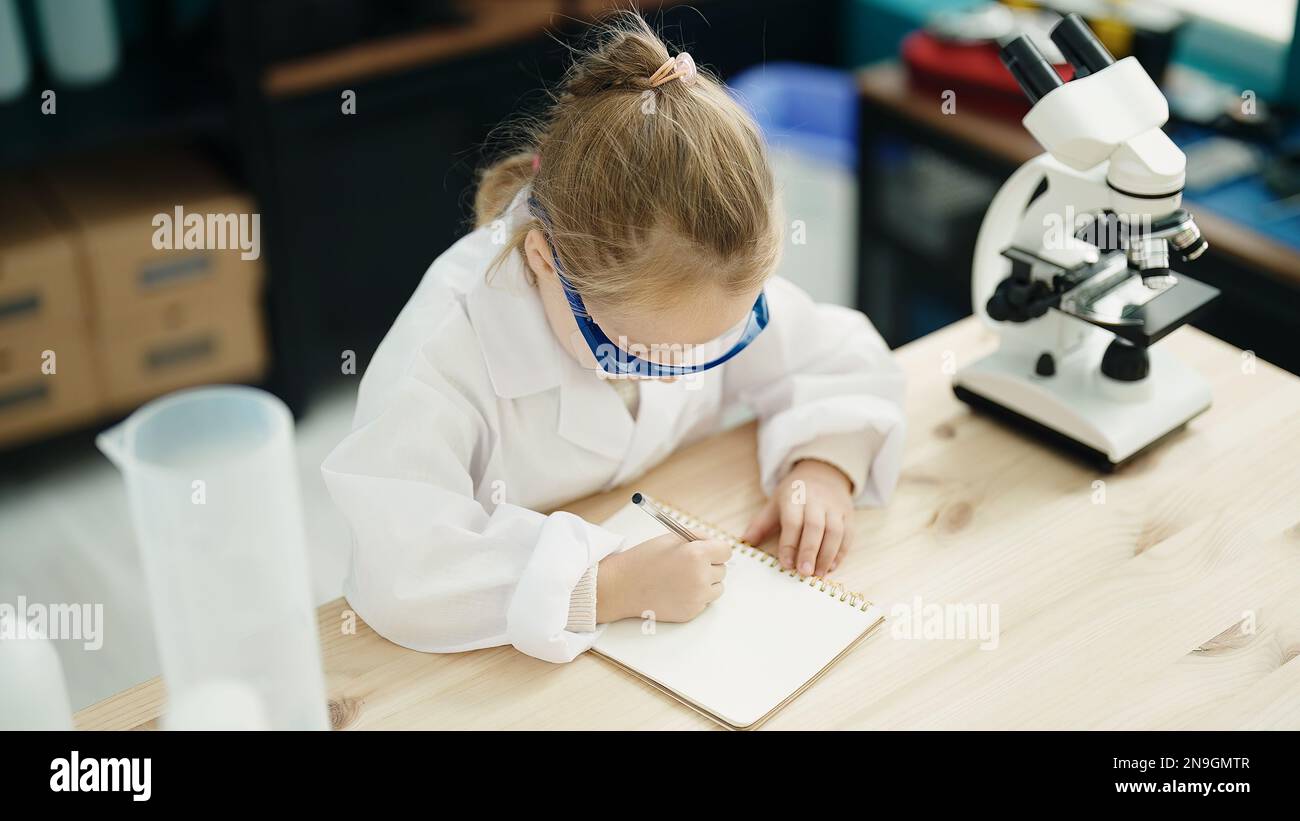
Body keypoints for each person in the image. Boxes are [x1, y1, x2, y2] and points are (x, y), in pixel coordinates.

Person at [322, 13, 905, 663]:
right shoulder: (443, 353)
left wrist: (822, 466)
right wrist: (604, 586)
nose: (674, 375)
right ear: (545, 259)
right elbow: (400, 567)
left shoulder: (704, 276)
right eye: (639, 354)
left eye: (714, 346)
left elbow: (837, 358)